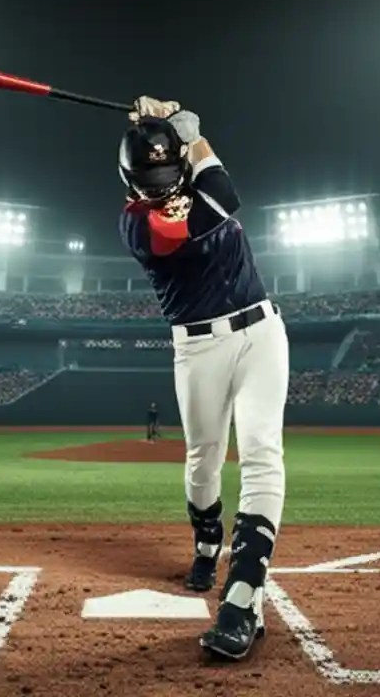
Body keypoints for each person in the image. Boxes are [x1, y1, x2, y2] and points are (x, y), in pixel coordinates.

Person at [117, 96, 289, 661]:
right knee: (203, 461)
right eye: (152, 180)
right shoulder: (140, 225)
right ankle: (207, 540)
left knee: (263, 452)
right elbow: (221, 198)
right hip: (198, 349)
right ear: (132, 183)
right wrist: (189, 131)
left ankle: (241, 599)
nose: (162, 188)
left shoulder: (182, 180)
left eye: (167, 175)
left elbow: (208, 186)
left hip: (261, 330)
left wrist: (166, 130)